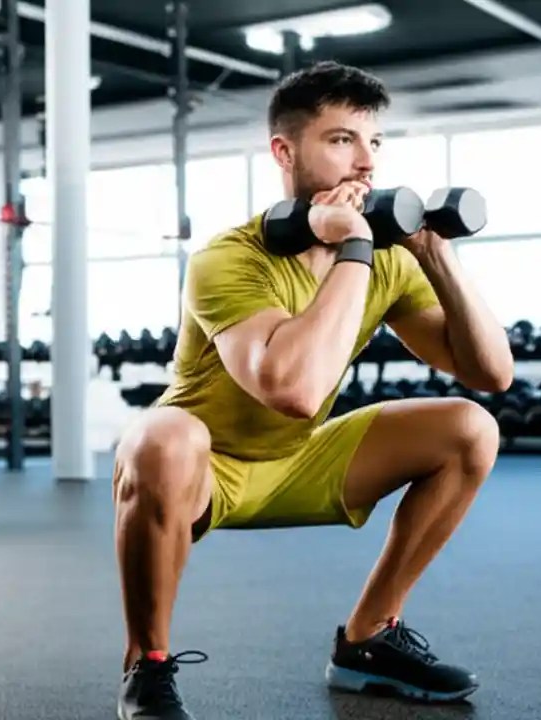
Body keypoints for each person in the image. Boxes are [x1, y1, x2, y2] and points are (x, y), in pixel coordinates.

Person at [111, 61, 514, 719]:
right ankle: (146, 664)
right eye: (342, 140)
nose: (365, 162)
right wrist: (354, 247)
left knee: (470, 426)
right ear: (284, 150)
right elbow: (292, 389)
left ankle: (368, 640)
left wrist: (436, 256)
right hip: (200, 468)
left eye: (374, 143)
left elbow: (492, 372)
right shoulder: (228, 258)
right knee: (162, 434)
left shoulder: (388, 260)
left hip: (299, 460)